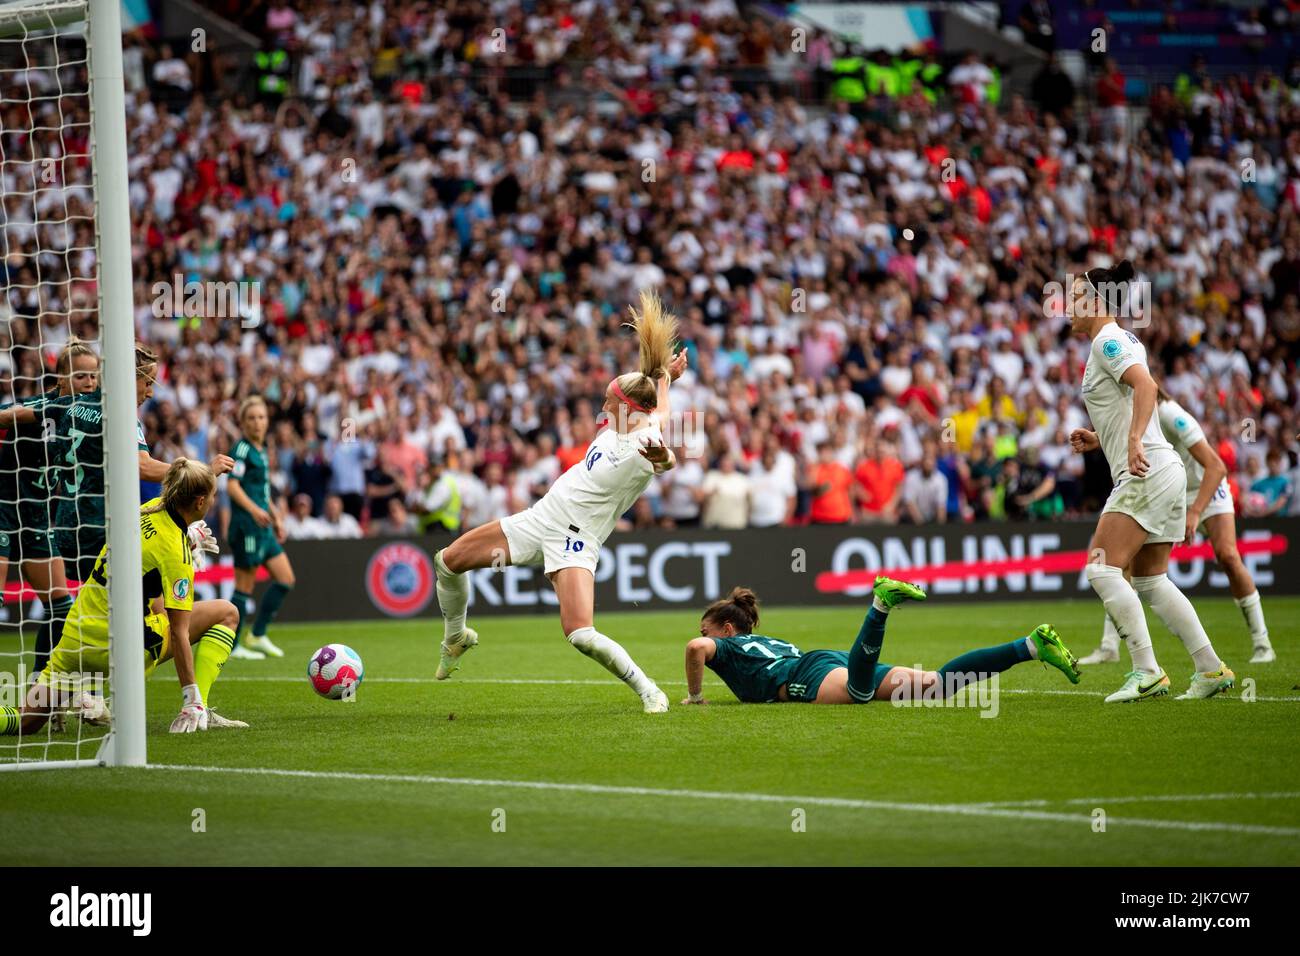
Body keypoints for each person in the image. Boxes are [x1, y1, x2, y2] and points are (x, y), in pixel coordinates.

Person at [433, 290, 684, 714]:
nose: (603, 406)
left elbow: (663, 454)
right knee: (448, 560)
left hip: (575, 539)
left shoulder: (644, 441)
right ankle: (455, 638)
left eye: (610, 401)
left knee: (580, 633)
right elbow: (658, 408)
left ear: (626, 408)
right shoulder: (630, 421)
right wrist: (666, 379)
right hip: (540, 519)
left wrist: (665, 459)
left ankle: (649, 690)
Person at [1067, 260, 1233, 702]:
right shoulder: (1119, 339)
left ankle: (1147, 670)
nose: (1068, 306)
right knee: (1150, 580)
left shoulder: (1107, 339)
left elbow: (1145, 387)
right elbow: (1129, 401)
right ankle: (1210, 668)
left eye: (1075, 298)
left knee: (1101, 566)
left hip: (1147, 470)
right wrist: (1101, 437)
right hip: (1165, 470)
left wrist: (1135, 440)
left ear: (1096, 301)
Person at [1, 459, 246, 736]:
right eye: (213, 496)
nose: (214, 500)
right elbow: (179, 632)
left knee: (26, 721)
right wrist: (190, 698)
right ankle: (200, 706)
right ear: (201, 502)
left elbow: (150, 551)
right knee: (227, 612)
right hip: (120, 649)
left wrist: (186, 535)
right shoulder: (176, 554)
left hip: (77, 635)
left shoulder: (145, 509)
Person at [1079, 386, 1275, 665]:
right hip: (1171, 488)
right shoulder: (1145, 411)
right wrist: (1098, 439)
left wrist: (1194, 513)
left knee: (1228, 557)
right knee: (1125, 565)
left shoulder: (1171, 414)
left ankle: (1262, 642)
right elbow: (1134, 430)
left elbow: (1217, 466)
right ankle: (1110, 646)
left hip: (1205, 489)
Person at [680, 578, 1079, 705]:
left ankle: (880, 605)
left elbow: (695, 650)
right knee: (935, 688)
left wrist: (695, 696)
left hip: (808, 674)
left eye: (707, 628)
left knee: (858, 692)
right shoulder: (764, 640)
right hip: (823, 660)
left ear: (727, 629)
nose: (703, 636)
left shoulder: (728, 646)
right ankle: (1029, 646)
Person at [226, 396, 294, 661]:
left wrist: (276, 517)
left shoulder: (261, 448)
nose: (257, 422)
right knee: (244, 587)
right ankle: (232, 646)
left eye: (262, 417)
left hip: (264, 527)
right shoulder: (241, 449)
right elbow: (232, 486)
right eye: (251, 418)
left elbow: (261, 491)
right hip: (247, 527)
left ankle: (258, 634)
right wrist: (254, 510)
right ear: (243, 422)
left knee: (286, 579)